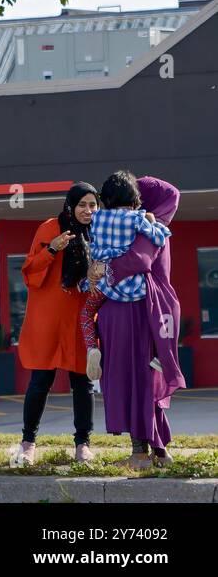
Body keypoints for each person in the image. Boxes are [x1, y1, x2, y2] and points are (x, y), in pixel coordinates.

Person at [96, 175, 185, 470]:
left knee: (133, 378)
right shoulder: (154, 227)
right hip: (152, 311)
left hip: (135, 312)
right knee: (147, 378)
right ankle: (159, 451)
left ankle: (140, 452)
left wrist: (102, 270)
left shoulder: (148, 230)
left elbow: (139, 261)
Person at [16, 182, 99, 465]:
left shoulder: (99, 233)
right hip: (48, 318)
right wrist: (52, 249)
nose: (88, 211)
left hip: (80, 317)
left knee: (83, 382)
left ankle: (83, 444)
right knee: (40, 381)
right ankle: (28, 443)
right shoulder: (51, 227)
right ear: (70, 205)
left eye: (92, 205)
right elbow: (29, 272)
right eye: (82, 205)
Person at [83, 170, 171, 382]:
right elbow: (155, 238)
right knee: (156, 312)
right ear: (134, 198)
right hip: (135, 287)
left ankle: (92, 348)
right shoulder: (137, 218)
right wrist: (158, 228)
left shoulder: (97, 218)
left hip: (105, 285)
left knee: (86, 313)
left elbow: (93, 245)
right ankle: (158, 354)